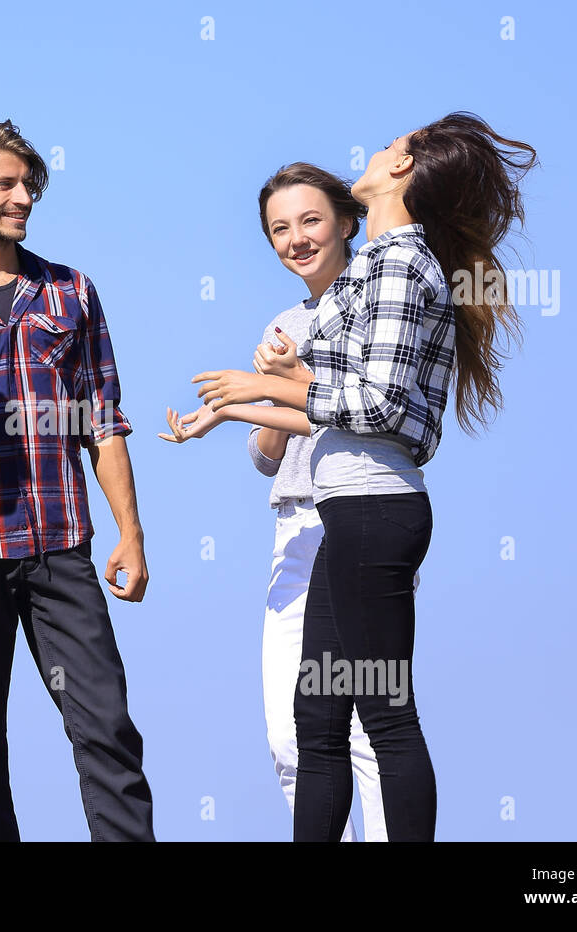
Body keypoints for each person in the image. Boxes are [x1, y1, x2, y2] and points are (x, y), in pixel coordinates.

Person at [191, 113, 536, 841]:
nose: (376, 151)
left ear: (403, 171)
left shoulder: (398, 264)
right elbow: (332, 381)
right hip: (346, 511)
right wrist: (260, 391)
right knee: (316, 718)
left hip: (375, 510)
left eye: (390, 148)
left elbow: (375, 403)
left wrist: (262, 387)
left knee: (383, 713)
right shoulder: (381, 262)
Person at [0, 120, 154, 842]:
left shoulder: (70, 293)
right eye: (5, 185)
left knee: (106, 725)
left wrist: (131, 535)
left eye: (28, 185)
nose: (22, 198)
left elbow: (103, 422)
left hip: (59, 549)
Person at [159, 163, 391, 841]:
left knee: (360, 732)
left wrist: (263, 395)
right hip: (294, 530)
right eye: (279, 229)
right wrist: (250, 405)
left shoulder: (372, 303)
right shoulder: (286, 320)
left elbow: (359, 416)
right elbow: (270, 458)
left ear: (348, 221)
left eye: (310, 220)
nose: (296, 239)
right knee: (290, 736)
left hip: (354, 520)